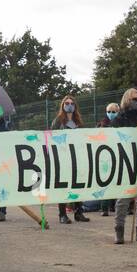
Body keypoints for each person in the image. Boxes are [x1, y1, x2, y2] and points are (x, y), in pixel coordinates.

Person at [111, 89, 137, 243]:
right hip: (125, 163)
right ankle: (119, 229)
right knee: (124, 197)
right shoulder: (119, 120)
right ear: (127, 100)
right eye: (134, 99)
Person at [52, 94, 90, 224]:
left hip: (77, 157)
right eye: (66, 103)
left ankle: (79, 212)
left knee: (78, 184)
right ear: (62, 106)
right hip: (63, 157)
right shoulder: (58, 121)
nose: (69, 106)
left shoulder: (78, 121)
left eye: (71, 104)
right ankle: (62, 214)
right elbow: (52, 137)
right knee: (63, 185)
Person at [97, 102, 121, 215]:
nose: (111, 114)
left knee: (118, 181)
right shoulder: (101, 124)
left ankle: (114, 206)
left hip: (118, 155)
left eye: (114, 112)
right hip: (105, 157)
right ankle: (104, 208)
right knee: (105, 182)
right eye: (109, 112)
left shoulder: (121, 124)